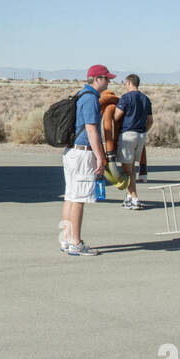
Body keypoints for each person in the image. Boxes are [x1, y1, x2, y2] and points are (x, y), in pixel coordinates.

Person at [60, 65, 113, 256]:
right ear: (97, 79)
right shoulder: (90, 99)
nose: (108, 82)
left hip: (72, 152)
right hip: (82, 153)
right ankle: (76, 242)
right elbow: (91, 130)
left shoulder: (82, 95)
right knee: (79, 198)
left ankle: (67, 239)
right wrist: (100, 156)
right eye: (107, 79)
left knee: (70, 196)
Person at [112, 74, 153, 209]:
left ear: (129, 82)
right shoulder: (145, 99)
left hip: (128, 135)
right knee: (131, 167)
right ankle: (129, 197)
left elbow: (116, 117)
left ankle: (134, 198)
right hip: (141, 135)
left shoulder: (125, 98)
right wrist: (143, 130)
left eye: (125, 83)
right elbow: (150, 120)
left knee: (127, 168)